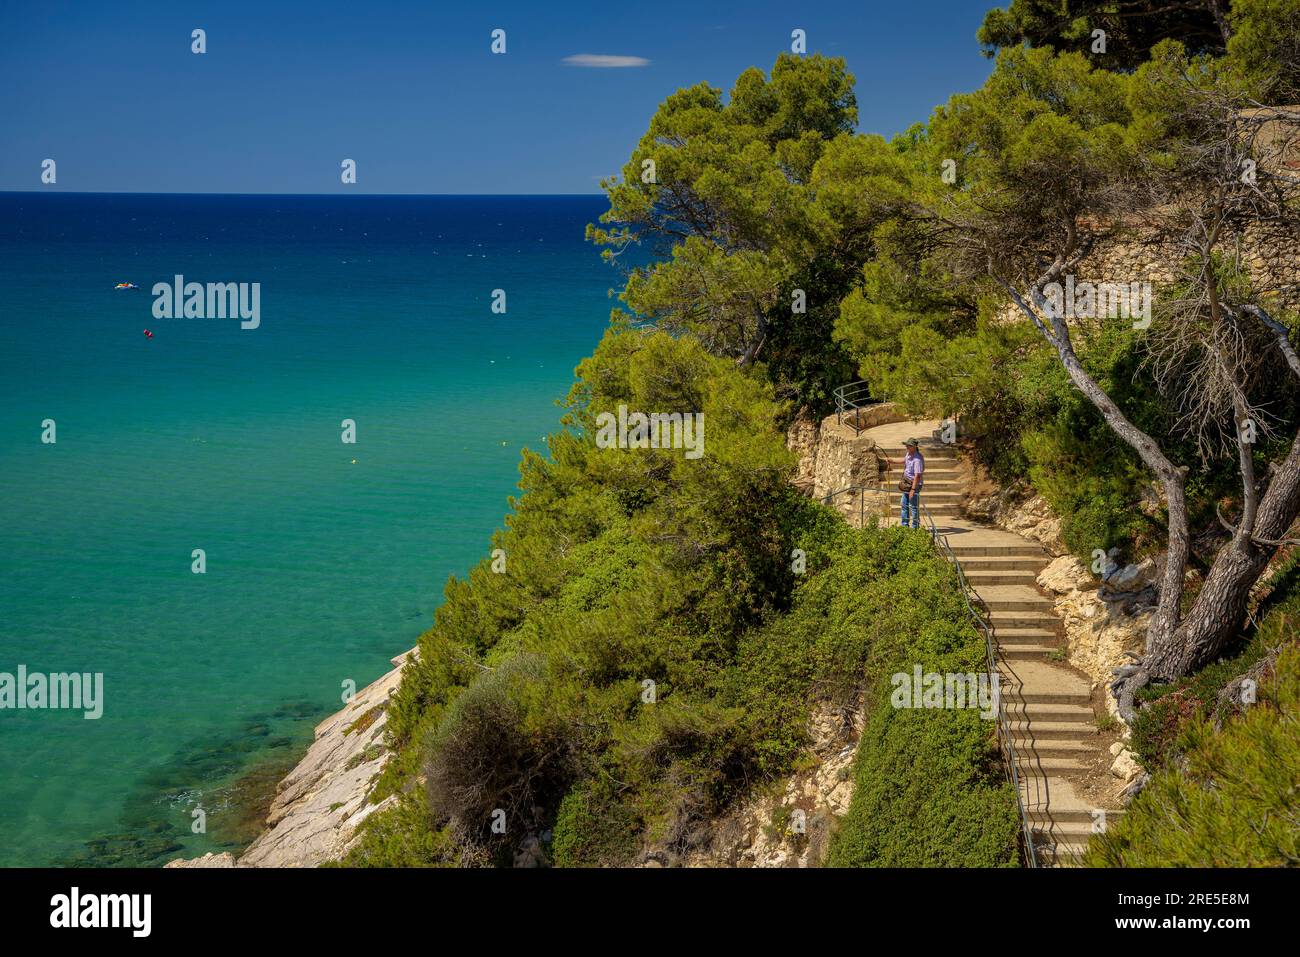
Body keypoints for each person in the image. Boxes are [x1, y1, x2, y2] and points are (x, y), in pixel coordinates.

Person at [900, 438, 925, 529]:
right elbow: (904, 461)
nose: (907, 447)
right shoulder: (909, 454)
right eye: (906, 445)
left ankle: (915, 527)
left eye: (909, 446)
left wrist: (913, 490)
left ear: (914, 447)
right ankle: (904, 526)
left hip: (914, 485)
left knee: (913, 507)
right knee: (904, 504)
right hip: (907, 484)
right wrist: (892, 461)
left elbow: (917, 476)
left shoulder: (917, 459)